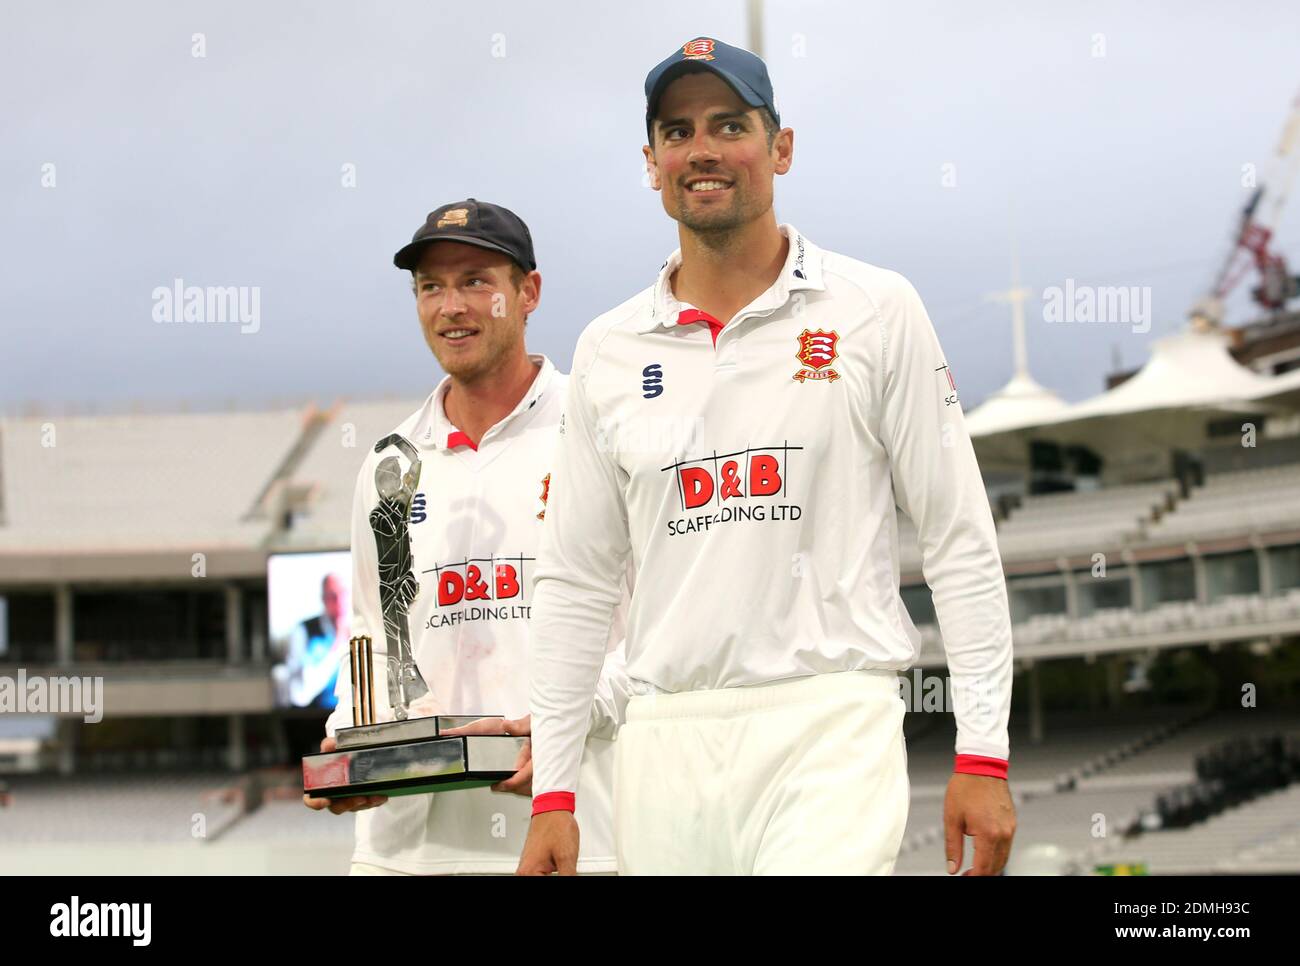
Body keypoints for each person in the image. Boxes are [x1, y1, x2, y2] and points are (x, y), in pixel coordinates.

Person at [520, 37, 1017, 875]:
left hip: (831, 719)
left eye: (729, 125)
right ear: (651, 162)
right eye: (677, 132)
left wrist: (984, 752)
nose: (702, 151)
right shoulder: (606, 350)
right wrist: (555, 794)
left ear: (780, 147)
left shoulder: (875, 310)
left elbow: (957, 537)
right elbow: (575, 580)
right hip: (663, 736)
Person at [304, 199, 625, 875]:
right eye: (431, 287)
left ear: (528, 292)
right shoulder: (391, 463)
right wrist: (351, 749)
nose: (451, 306)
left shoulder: (598, 430)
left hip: (577, 832)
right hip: (407, 853)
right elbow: (373, 633)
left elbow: (654, 630)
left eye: (477, 281)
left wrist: (566, 722)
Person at [282, 573, 349, 709]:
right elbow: (299, 694)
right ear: (323, 599)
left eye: (343, 593)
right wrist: (338, 646)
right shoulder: (303, 631)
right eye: (332, 596)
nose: (339, 601)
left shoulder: (362, 628)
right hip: (312, 720)